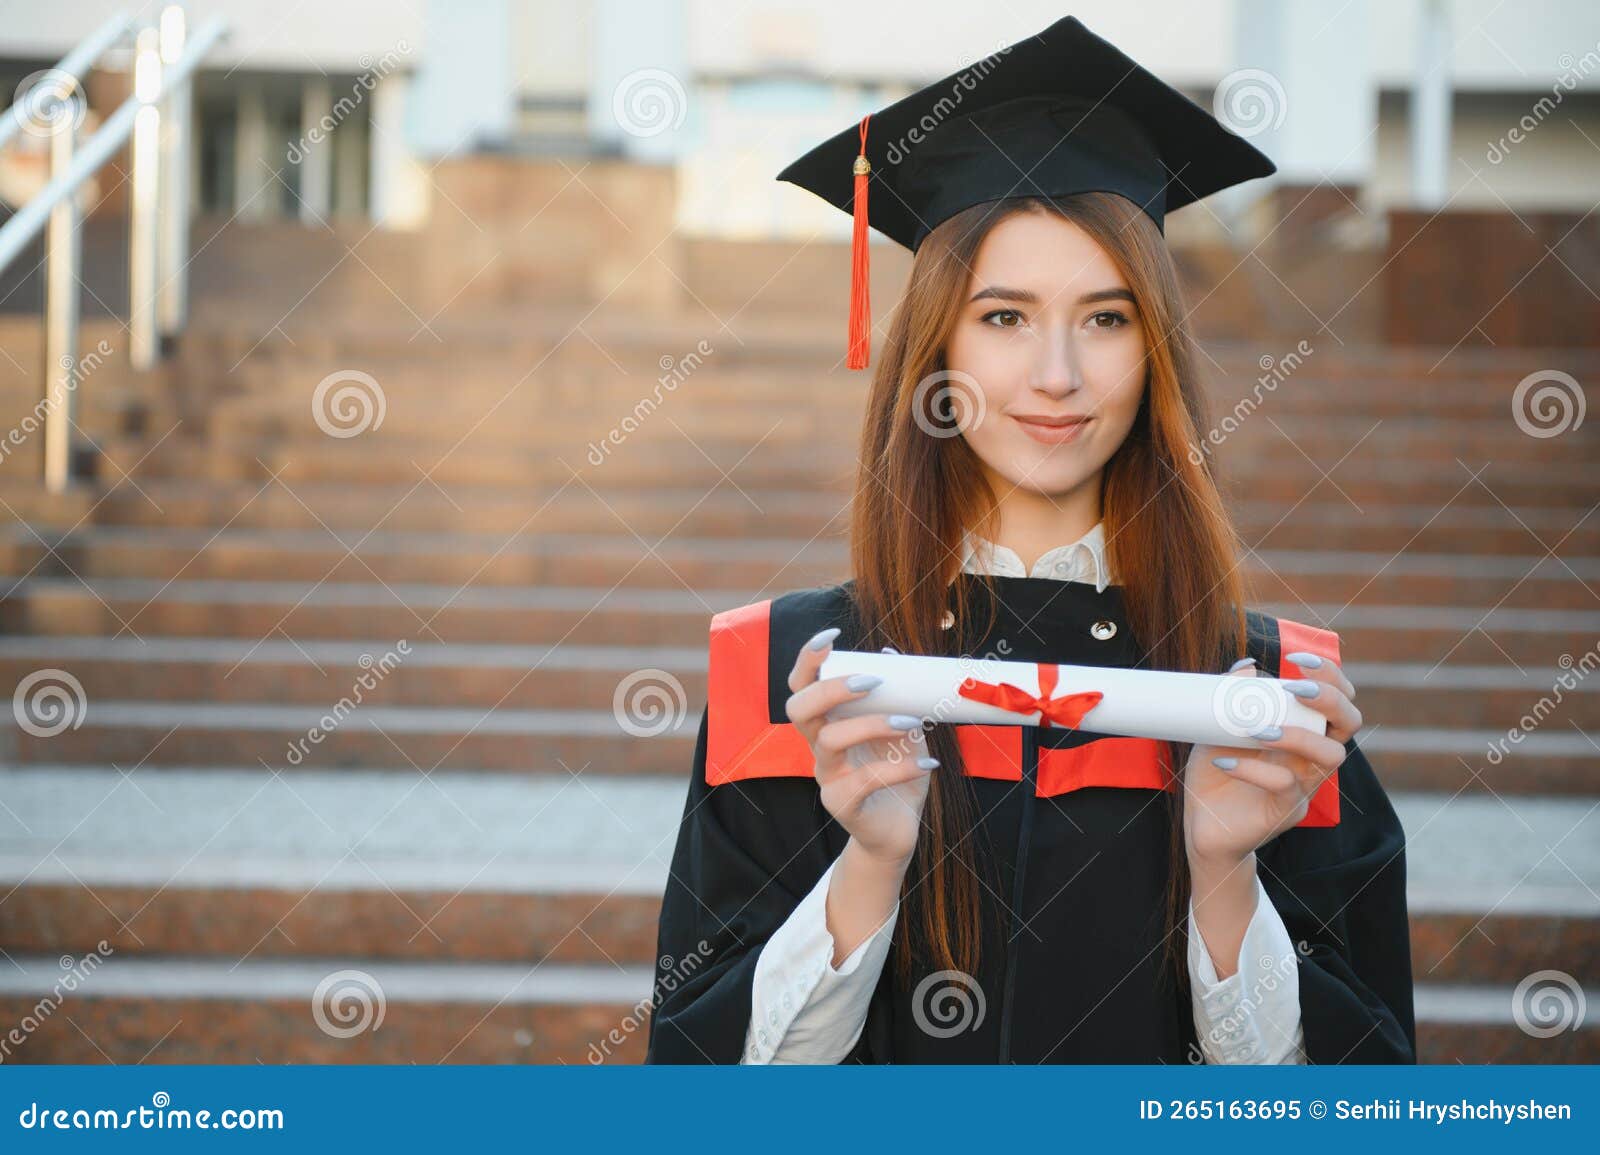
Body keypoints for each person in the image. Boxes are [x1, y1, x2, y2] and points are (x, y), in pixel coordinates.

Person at [644, 14, 1415, 1065]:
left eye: (1106, 319)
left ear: (1154, 352)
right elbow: (703, 1093)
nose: (1056, 374)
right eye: (1003, 317)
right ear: (936, 349)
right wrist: (867, 866)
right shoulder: (795, 679)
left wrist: (1224, 878)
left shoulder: (1267, 703)